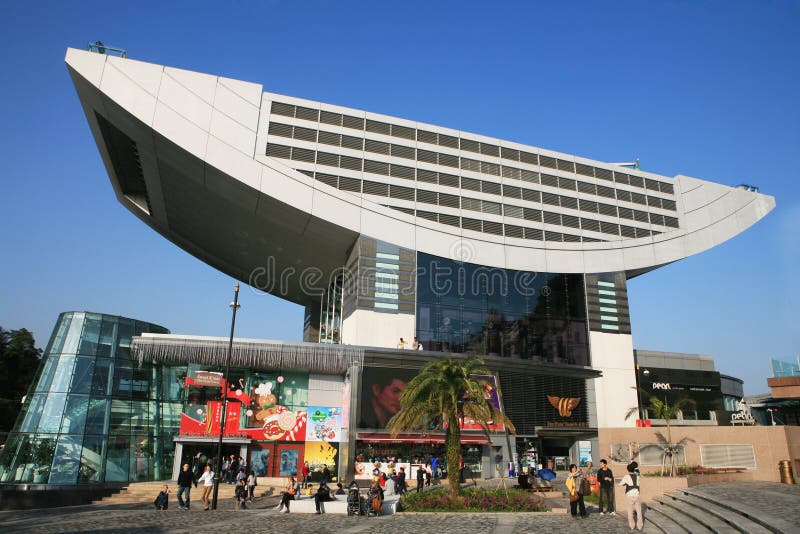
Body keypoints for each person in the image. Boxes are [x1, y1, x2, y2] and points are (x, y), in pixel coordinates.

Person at [619, 461, 643, 531]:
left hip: (629, 496)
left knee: (630, 511)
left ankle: (632, 526)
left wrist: (625, 484)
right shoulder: (638, 476)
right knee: (639, 511)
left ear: (628, 470)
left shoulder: (626, 477)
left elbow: (620, 484)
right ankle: (640, 526)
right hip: (637, 495)